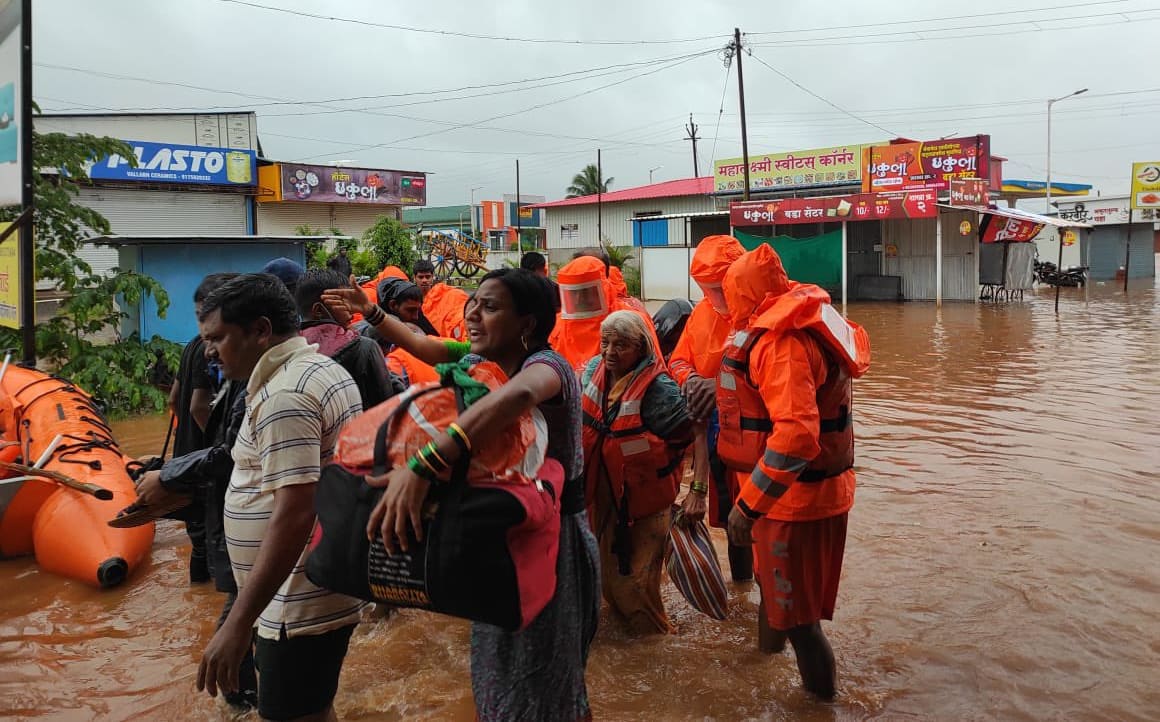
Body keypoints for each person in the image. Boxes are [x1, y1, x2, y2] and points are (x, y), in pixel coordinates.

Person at [322, 269, 600, 722]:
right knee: (500, 669)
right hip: (501, 538)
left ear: (527, 323)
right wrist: (370, 311)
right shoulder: (480, 362)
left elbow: (517, 398)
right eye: (473, 302)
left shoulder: (549, 369)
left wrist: (425, 465)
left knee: (545, 679)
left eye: (490, 307)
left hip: (552, 545)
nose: (472, 312)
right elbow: (429, 348)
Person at [195, 274, 365, 722]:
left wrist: (237, 623)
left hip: (297, 600)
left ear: (261, 330)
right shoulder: (319, 368)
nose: (209, 351)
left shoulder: (285, 396)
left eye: (217, 338)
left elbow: (296, 511)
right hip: (314, 587)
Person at [719, 244, 871, 701]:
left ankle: (819, 708)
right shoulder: (796, 320)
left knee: (802, 623)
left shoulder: (782, 343)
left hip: (797, 503)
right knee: (775, 595)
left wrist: (747, 506)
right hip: (795, 496)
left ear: (744, 296)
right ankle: (763, 672)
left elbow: (797, 438)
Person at [581, 311, 692, 635]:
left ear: (641, 348)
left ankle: (657, 651)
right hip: (602, 498)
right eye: (605, 343)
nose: (609, 352)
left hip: (644, 504)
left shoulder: (661, 391)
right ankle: (634, 648)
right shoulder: (592, 370)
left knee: (636, 587)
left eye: (621, 345)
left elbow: (693, 435)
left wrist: (697, 491)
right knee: (608, 582)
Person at [666, 235, 751, 581]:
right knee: (732, 521)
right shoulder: (702, 313)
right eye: (708, 287)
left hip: (759, 438)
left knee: (762, 523)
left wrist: (715, 387)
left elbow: (772, 381)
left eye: (721, 286)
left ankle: (766, 606)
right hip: (718, 437)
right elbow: (679, 360)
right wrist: (691, 381)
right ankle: (744, 592)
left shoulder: (764, 312)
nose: (716, 295)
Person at [168, 272, 237, 583]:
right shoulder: (210, 353)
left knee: (199, 545)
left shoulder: (191, 345)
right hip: (205, 465)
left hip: (187, 458)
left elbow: (173, 399)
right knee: (213, 550)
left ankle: (198, 607)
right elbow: (197, 406)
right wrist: (221, 446)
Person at [296, 268, 399, 408]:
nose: (351, 311)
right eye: (343, 303)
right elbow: (386, 407)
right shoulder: (364, 348)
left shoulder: (287, 349)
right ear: (319, 310)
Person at [414, 259, 470, 340]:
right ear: (415, 278)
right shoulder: (411, 299)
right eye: (421, 277)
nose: (424, 280)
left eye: (427, 277)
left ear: (432, 277)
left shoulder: (444, 293)